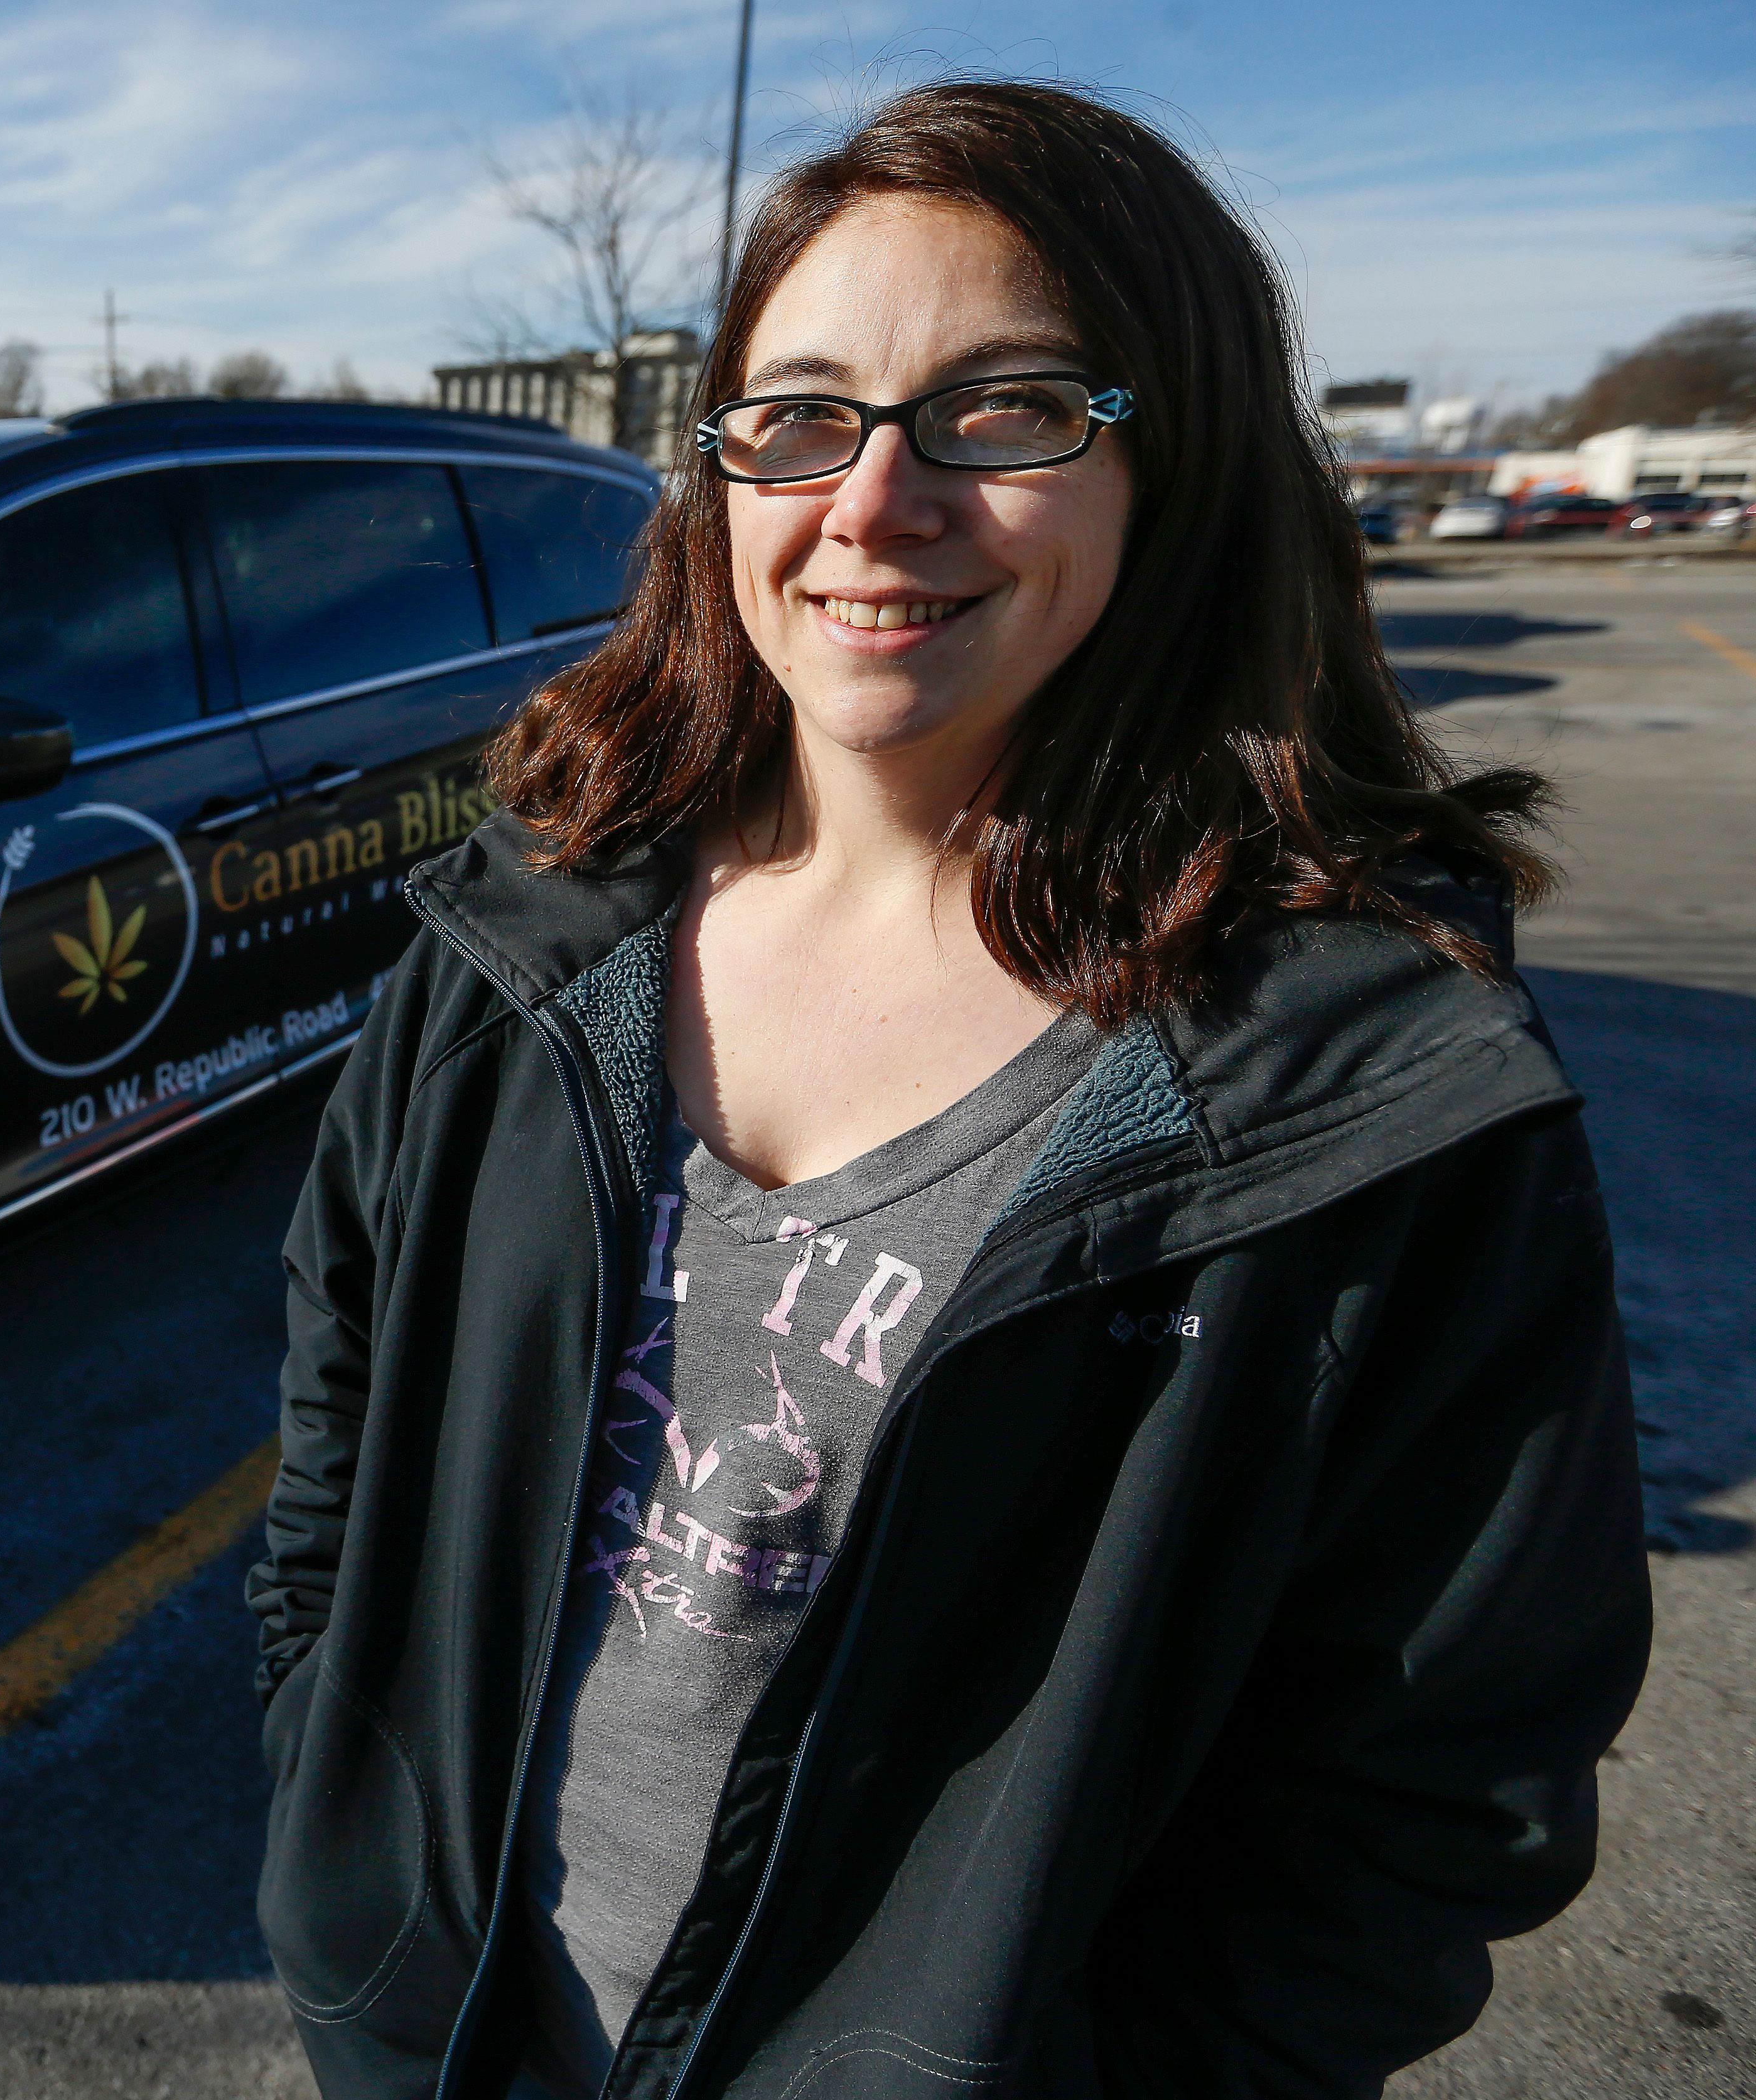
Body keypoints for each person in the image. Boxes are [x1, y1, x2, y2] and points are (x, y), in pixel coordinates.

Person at [247, 80, 1648, 2100]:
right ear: (721, 474)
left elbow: (1434, 1782)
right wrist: (334, 1839)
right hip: (430, 2038)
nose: (876, 500)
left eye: (1004, 411)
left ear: (1183, 463)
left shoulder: (1366, 1102)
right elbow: (337, 1430)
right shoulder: (525, 946)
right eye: (802, 414)